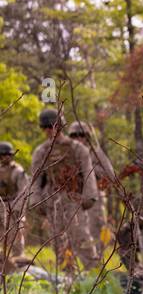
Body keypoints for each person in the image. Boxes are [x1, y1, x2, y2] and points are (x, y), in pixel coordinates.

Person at [25, 109, 101, 271]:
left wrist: (88, 198)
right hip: (53, 200)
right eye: (45, 127)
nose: (49, 131)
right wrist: (36, 201)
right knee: (59, 241)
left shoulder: (78, 149)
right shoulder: (41, 151)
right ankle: (68, 278)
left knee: (81, 237)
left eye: (52, 126)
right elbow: (36, 179)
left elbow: (88, 173)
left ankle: (94, 274)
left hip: (74, 198)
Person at [65, 120, 115, 251]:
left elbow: (110, 174)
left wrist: (88, 168)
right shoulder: (69, 154)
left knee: (94, 229)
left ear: (87, 136)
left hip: (94, 196)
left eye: (81, 135)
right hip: (74, 196)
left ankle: (97, 263)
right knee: (75, 231)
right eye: (74, 136)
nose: (78, 138)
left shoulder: (96, 153)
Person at [0, 142, 27, 270]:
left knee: (15, 238)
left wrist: (17, 210)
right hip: (1, 204)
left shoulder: (17, 171)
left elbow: (24, 191)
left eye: (7, 154)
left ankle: (18, 268)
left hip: (12, 205)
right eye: (2, 155)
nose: (5, 157)